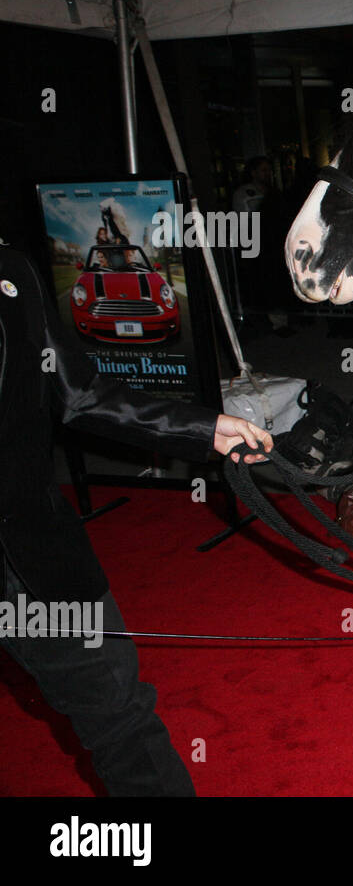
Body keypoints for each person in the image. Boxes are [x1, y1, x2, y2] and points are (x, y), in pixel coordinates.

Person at [0, 244, 272, 795]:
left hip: (32, 554)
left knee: (118, 713)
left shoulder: (12, 269)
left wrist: (200, 429)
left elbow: (79, 394)